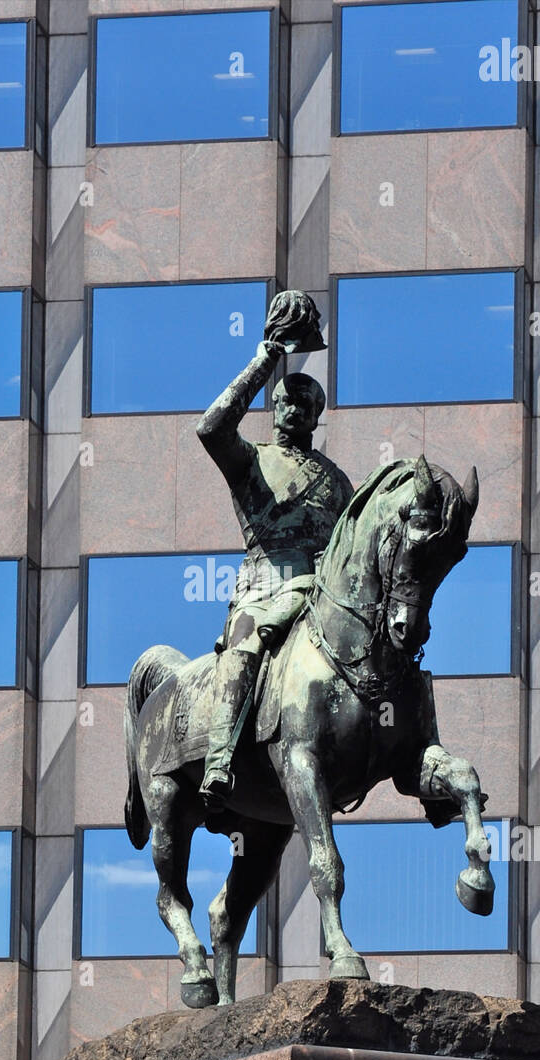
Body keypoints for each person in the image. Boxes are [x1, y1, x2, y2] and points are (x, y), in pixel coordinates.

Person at [195, 291, 354, 811]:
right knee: (243, 655)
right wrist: (266, 356)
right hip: (263, 589)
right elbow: (211, 426)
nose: (290, 411)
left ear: (315, 417)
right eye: (283, 402)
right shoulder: (250, 460)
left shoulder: (336, 482)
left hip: (318, 595)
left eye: (301, 406)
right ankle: (219, 761)